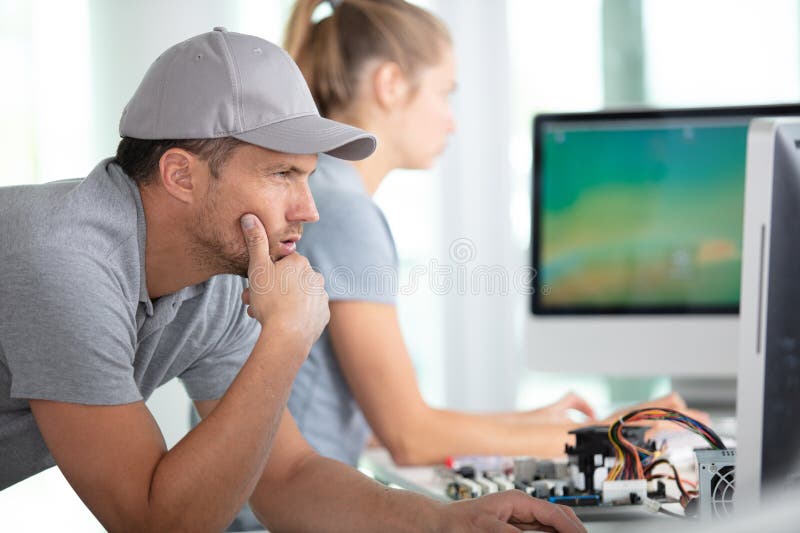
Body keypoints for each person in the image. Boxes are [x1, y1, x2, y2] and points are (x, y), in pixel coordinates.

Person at [0, 28, 586, 532]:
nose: (309, 208)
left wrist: (441, 520)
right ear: (181, 174)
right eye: (282, 173)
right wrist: (285, 339)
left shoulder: (219, 279)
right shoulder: (65, 257)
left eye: (307, 177)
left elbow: (287, 476)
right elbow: (154, 521)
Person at [284, 0, 708, 468]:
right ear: (391, 85)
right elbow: (408, 435)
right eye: (445, 93)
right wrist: (609, 433)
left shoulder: (319, 189)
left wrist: (541, 425)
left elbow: (363, 426)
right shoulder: (344, 214)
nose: (452, 119)